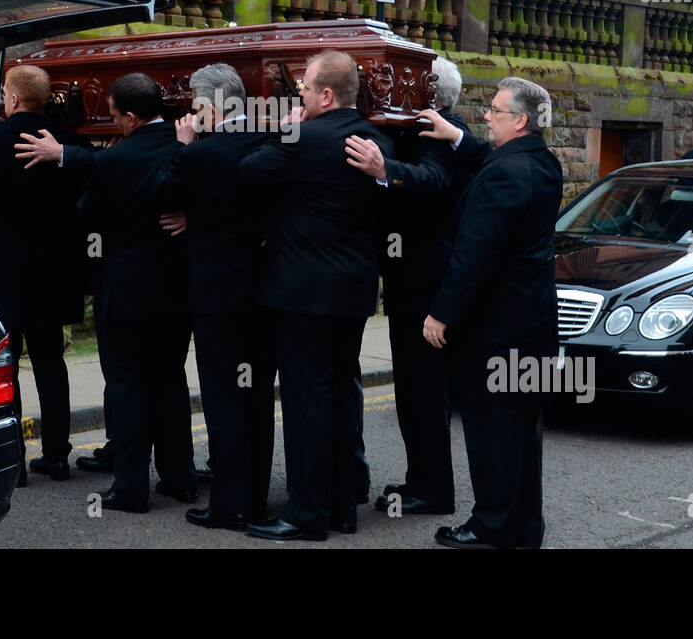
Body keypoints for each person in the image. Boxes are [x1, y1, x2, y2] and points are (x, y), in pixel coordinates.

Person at [17, 73, 197, 511]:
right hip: (177, 291)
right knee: (171, 384)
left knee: (129, 387)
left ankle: (132, 488)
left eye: (114, 116)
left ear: (132, 117)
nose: (112, 122)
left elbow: (87, 215)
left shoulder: (113, 160)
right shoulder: (185, 147)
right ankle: (179, 479)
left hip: (127, 293)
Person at [240, 51, 395, 541]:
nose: (299, 96)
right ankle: (341, 507)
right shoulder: (378, 141)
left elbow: (248, 172)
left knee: (307, 403)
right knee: (341, 394)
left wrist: (285, 129)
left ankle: (306, 516)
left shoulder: (301, 139)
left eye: (304, 88)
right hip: (352, 291)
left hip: (302, 294)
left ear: (326, 94)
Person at [344, 58, 490, 516]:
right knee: (414, 388)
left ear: (429, 94)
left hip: (427, 282)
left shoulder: (442, 130)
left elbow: (433, 180)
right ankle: (421, 481)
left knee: (423, 390)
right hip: (415, 279)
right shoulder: (424, 127)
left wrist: (383, 166)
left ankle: (432, 490)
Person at [424, 76, 563, 549]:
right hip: (536, 326)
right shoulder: (543, 163)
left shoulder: (505, 174)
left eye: (496, 111)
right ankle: (524, 528)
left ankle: (490, 526)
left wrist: (441, 313)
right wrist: (457, 137)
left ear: (520, 120)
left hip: (497, 330)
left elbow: (476, 255)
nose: (486, 116)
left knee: (491, 434)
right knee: (523, 434)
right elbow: (493, 158)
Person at [156, 64, 276, 531]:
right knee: (257, 397)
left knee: (225, 399)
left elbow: (162, 192)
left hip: (215, 297)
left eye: (193, 104)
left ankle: (230, 505)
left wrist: (182, 146)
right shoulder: (269, 145)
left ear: (208, 106)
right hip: (262, 292)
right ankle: (256, 497)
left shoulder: (201, 155)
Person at [0, 65, 86, 484]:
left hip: (4, 272)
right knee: (51, 364)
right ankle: (57, 456)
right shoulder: (68, 143)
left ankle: (14, 461)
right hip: (53, 272)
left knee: (6, 367)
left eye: (4, 94)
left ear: (13, 99)